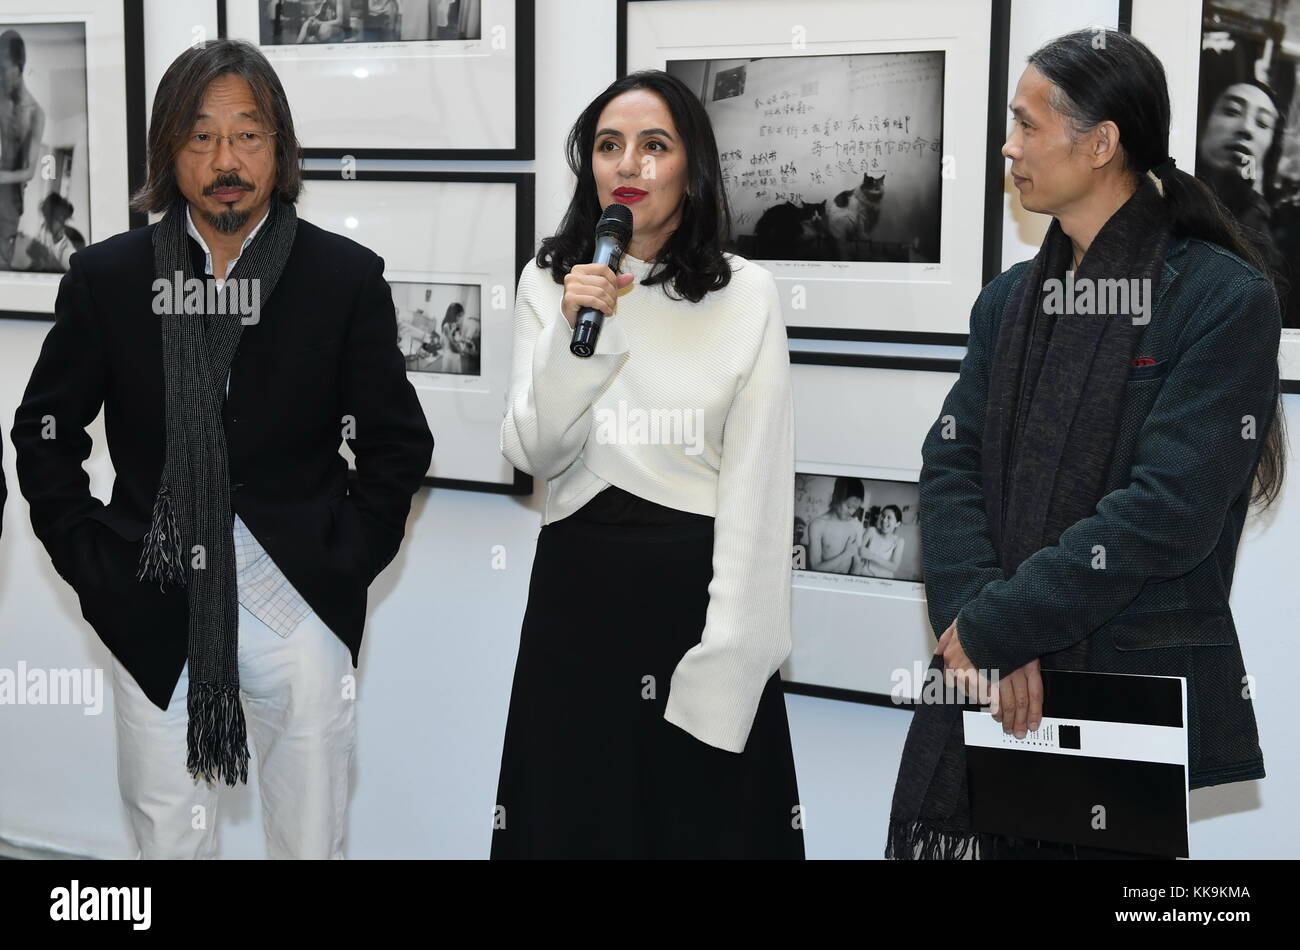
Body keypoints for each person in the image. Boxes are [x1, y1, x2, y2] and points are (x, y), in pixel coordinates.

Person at [10, 39, 433, 859]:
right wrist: (96, 561)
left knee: (309, 843)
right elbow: (45, 433)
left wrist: (344, 560)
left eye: (248, 133)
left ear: (280, 147)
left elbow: (397, 443)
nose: (225, 159)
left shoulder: (343, 278)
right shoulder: (110, 277)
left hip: (299, 607)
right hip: (156, 597)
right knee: (170, 843)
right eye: (200, 136)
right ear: (170, 152)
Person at [887, 29, 1286, 860]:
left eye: (1028, 125)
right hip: (992, 674)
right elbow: (950, 459)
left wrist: (1004, 623)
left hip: (1127, 684)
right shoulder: (1007, 302)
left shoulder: (1220, 299)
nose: (1008, 145)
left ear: (1100, 144)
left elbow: (1167, 509)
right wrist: (982, 625)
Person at [492, 69, 803, 859]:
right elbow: (534, 452)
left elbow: (759, 495)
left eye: (653, 146)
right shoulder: (549, 282)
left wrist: (731, 660)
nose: (627, 165)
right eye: (608, 146)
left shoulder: (747, 294)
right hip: (577, 603)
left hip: (695, 606)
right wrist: (572, 328)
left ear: (691, 167)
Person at [0, 29, 44, 269]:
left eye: (3, 69)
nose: (0, 75)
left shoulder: (35, 113)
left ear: (19, 66)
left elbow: (28, 172)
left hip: (9, 202)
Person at [807, 476, 865, 574]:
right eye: (849, 506)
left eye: (855, 508)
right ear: (836, 497)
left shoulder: (857, 526)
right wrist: (845, 555)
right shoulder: (817, 525)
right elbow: (815, 568)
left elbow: (857, 563)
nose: (851, 512)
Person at [853, 504, 904, 579]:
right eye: (883, 516)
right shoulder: (871, 531)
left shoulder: (899, 541)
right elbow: (858, 553)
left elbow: (894, 567)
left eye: (889, 518)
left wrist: (872, 556)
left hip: (884, 579)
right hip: (865, 574)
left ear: (897, 524)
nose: (884, 520)